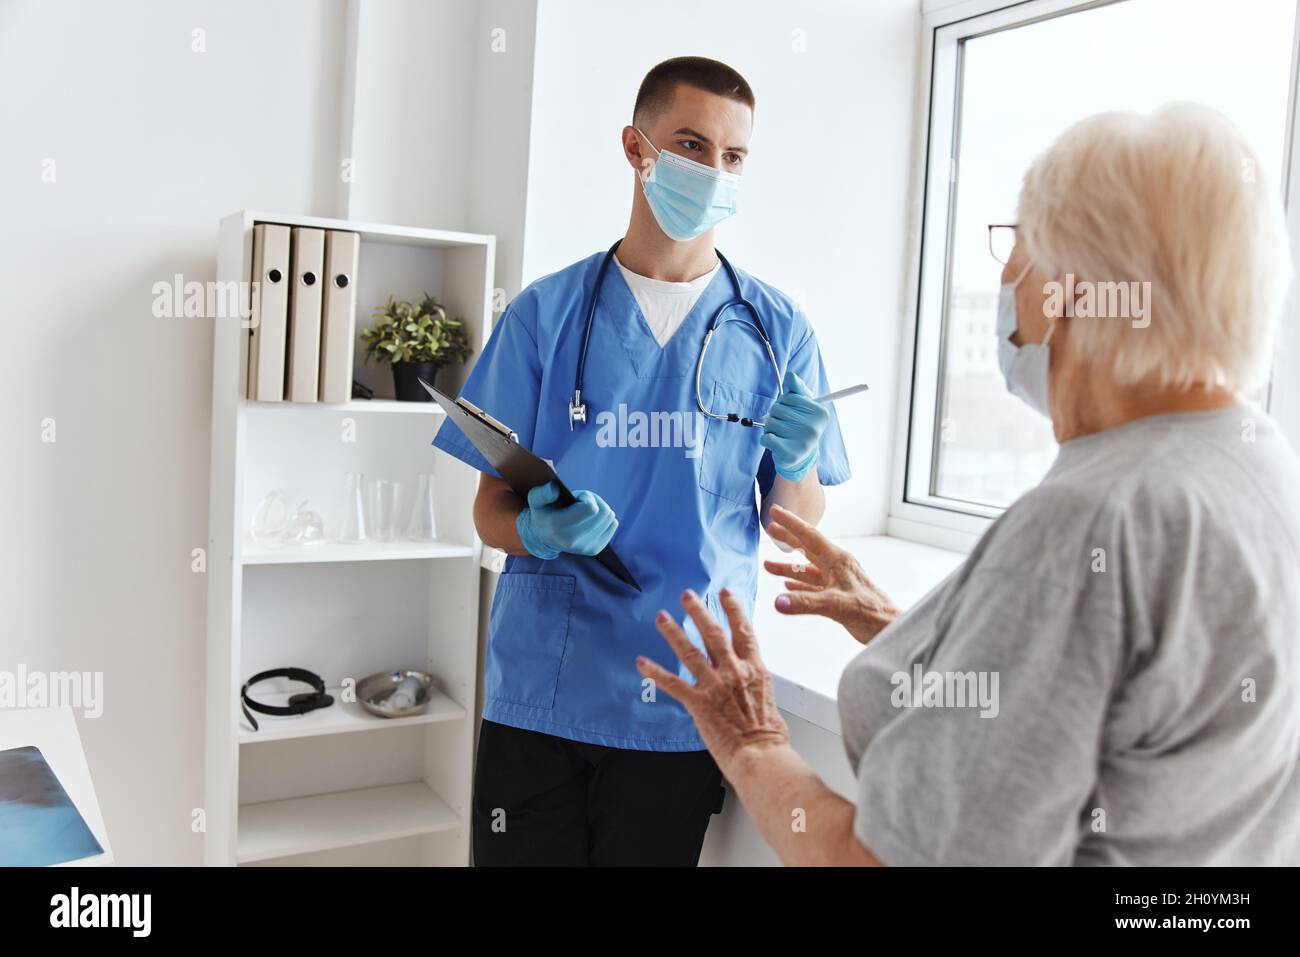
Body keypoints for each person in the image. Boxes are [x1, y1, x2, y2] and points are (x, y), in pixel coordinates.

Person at [638, 102, 1300, 865]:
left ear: (1076, 289)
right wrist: (908, 626)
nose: (1007, 276)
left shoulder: (1090, 522)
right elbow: (1114, 711)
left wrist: (749, 739)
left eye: (1020, 245)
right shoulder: (1260, 467)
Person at [432, 56, 850, 866]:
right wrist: (540, 531)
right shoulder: (544, 316)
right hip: (543, 694)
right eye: (691, 145)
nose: (713, 171)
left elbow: (791, 525)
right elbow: (487, 512)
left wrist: (795, 462)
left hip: (686, 698)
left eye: (733, 158)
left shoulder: (778, 330)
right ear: (637, 147)